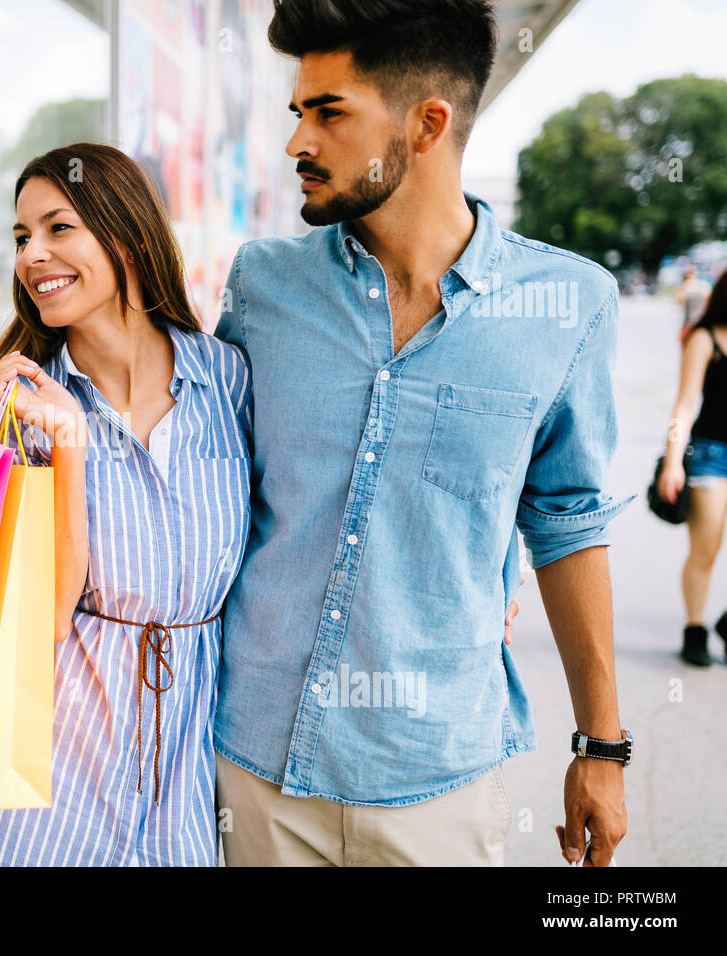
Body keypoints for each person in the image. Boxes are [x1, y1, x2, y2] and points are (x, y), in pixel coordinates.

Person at [211, 0, 632, 867]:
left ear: (427, 123)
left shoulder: (567, 307)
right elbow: (199, 475)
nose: (298, 142)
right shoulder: (262, 287)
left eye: (329, 113)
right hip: (253, 771)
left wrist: (602, 748)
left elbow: (567, 524)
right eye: (298, 112)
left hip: (436, 781)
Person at [0, 142, 254, 866]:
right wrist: (71, 448)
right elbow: (40, 616)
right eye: (21, 238)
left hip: (182, 788)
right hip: (48, 793)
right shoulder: (20, 403)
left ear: (128, 234)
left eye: (57, 228)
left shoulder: (229, 381)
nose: (32, 255)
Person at [658, 277, 727, 666]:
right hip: (711, 457)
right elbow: (683, 406)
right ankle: (695, 631)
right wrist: (672, 459)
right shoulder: (705, 339)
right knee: (706, 548)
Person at [676, 266, 712, 346]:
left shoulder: (685, 286)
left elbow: (679, 302)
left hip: (690, 322)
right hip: (696, 321)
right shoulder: (703, 285)